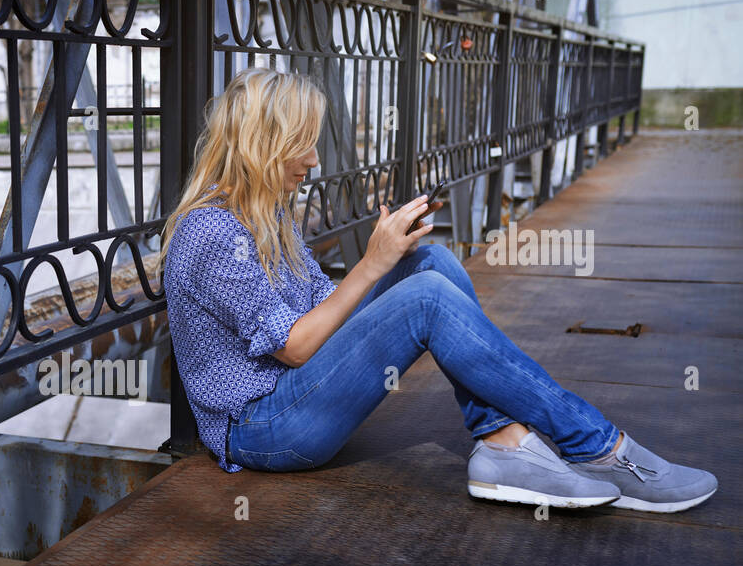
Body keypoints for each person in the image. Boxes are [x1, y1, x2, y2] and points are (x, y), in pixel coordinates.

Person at [159, 67, 717, 512]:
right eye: (302, 143)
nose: (314, 160)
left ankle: (501, 443)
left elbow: (314, 309)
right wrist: (372, 264)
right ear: (263, 144)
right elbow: (297, 345)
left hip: (296, 392)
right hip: (263, 429)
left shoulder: (266, 215)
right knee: (424, 298)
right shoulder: (211, 231)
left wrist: (389, 253)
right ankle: (600, 448)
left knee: (431, 261)